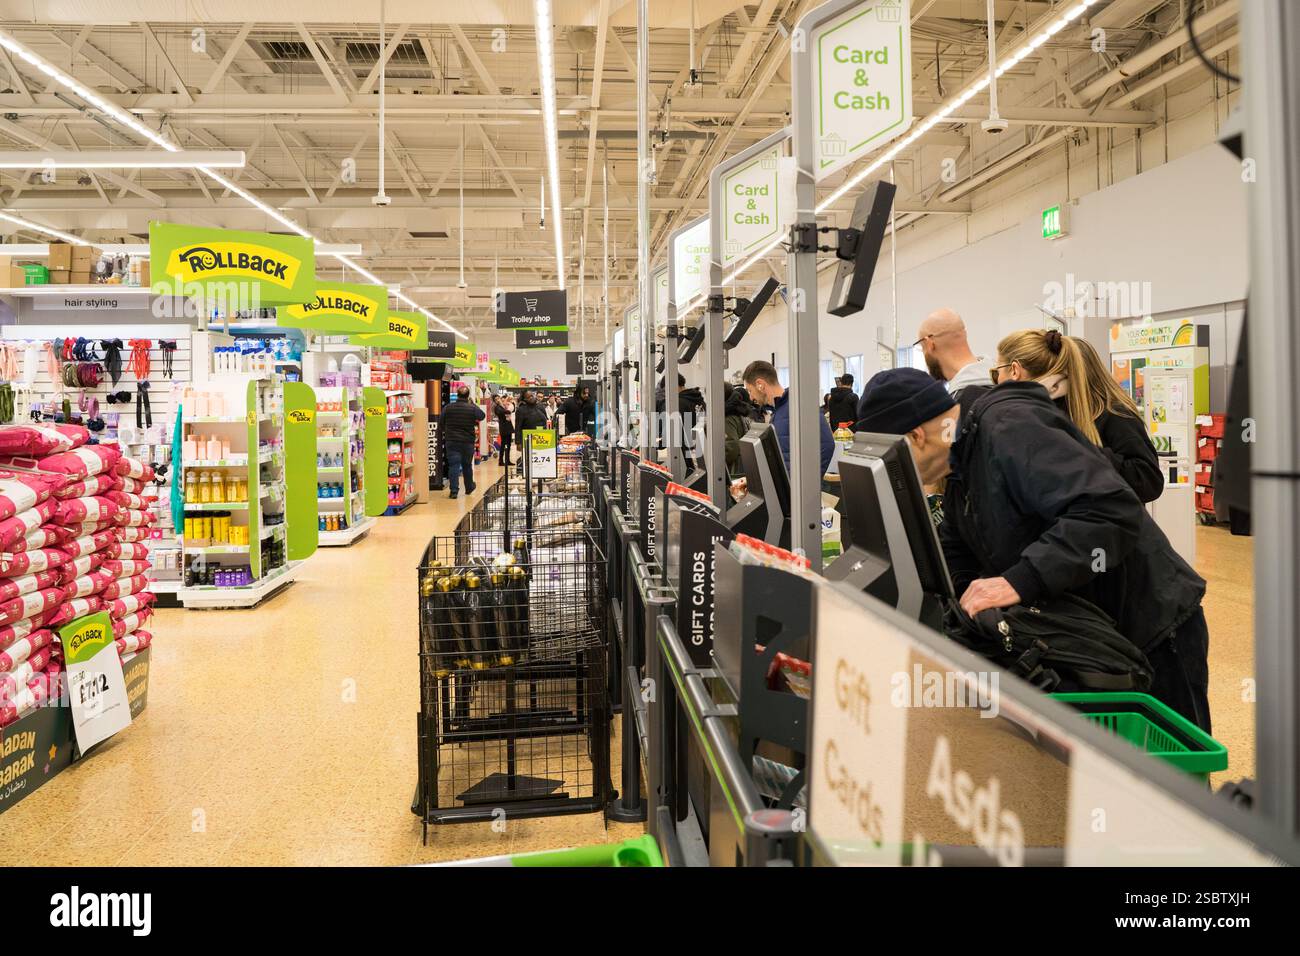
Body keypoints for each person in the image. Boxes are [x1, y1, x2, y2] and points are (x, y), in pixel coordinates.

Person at [856, 367, 1211, 732]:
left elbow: (1109, 511)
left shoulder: (1010, 428)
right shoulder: (963, 458)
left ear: (916, 436)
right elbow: (957, 546)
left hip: (1153, 625)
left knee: (1174, 778)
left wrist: (1022, 579)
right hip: (1095, 634)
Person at [993, 330, 1163, 502]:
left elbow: (1148, 480)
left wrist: (1079, 450)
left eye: (996, 372)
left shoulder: (1113, 412)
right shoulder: (1050, 411)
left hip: (1111, 523)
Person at [742, 360, 835, 477]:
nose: (750, 397)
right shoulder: (776, 411)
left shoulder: (800, 404)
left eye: (750, 391)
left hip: (798, 493)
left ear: (760, 384)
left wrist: (802, 483)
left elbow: (826, 445)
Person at [914, 307, 990, 395]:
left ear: (930, 344)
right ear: (964, 333)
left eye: (922, 348)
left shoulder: (960, 400)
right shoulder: (1000, 377)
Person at [439, 385, 485, 499]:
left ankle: (454, 491)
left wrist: (447, 432)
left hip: (452, 441)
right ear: (468, 395)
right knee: (467, 465)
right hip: (467, 442)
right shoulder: (472, 408)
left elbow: (441, 423)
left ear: (458, 395)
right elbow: (482, 416)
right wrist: (473, 404)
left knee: (453, 465)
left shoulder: (448, 408)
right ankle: (469, 487)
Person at [724, 381, 763, 474]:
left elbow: (732, 447)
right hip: (746, 464)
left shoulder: (727, 416)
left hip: (734, 468)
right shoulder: (739, 410)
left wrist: (715, 461)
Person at [494, 396, 515, 466]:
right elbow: (505, 412)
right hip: (503, 428)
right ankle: (500, 461)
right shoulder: (497, 407)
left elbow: (509, 411)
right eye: (496, 399)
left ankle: (507, 460)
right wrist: (508, 410)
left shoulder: (503, 406)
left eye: (498, 398)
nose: (498, 400)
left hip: (508, 427)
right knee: (503, 445)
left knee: (509, 444)